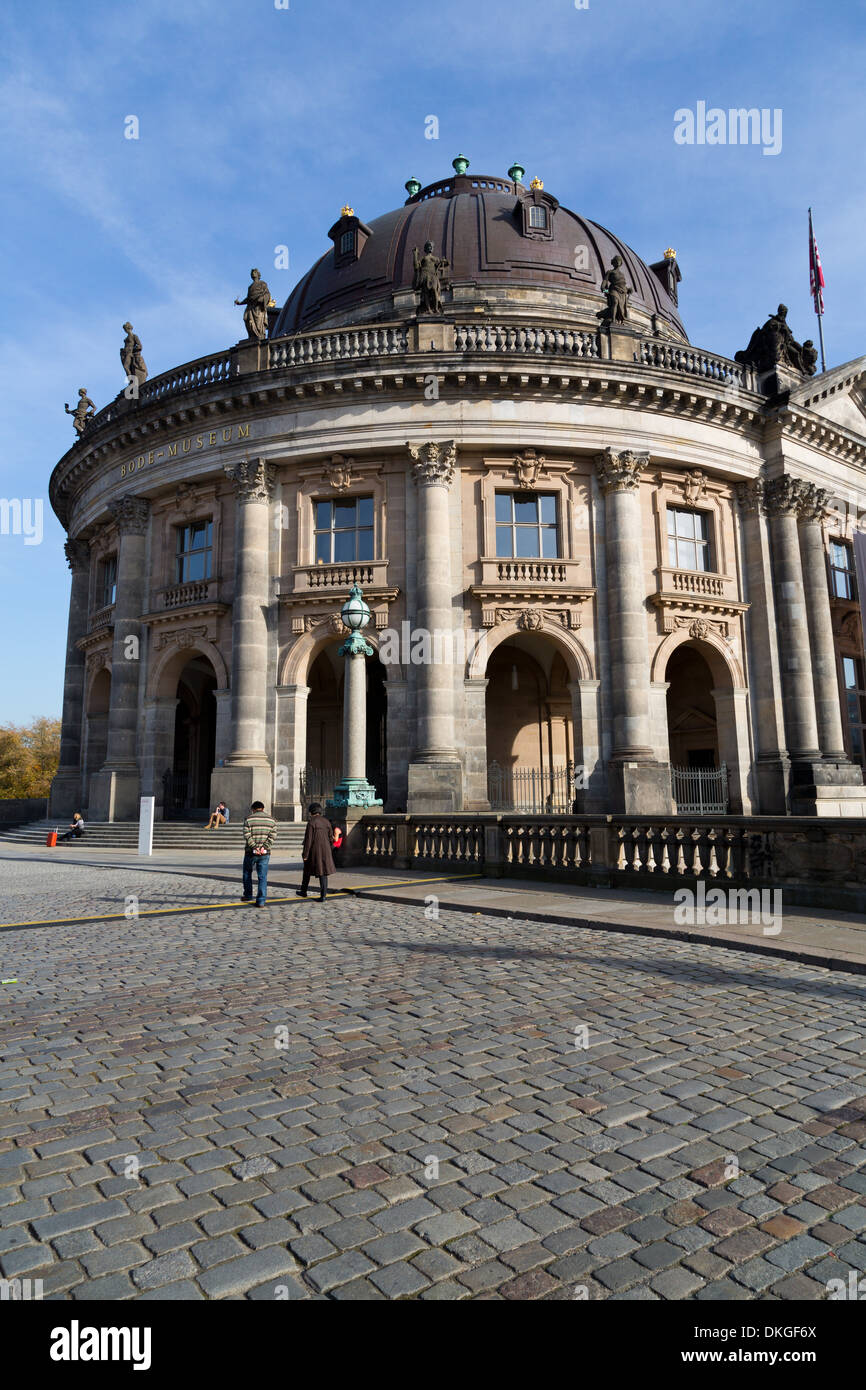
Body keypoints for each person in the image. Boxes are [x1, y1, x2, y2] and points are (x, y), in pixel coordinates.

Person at [297, 803, 336, 903]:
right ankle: (323, 896)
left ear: (311, 812)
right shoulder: (326, 821)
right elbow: (331, 838)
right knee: (323, 873)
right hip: (326, 850)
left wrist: (305, 854)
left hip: (314, 851)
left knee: (306, 871)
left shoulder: (311, 823)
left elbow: (308, 840)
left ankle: (303, 890)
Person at [242, 800, 276, 907]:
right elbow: (273, 836)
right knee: (262, 877)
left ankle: (248, 895)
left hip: (250, 852)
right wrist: (263, 847)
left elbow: (247, 835)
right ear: (263, 808)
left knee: (247, 873)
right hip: (265, 853)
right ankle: (261, 900)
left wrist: (255, 847)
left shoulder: (248, 819)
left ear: (253, 809)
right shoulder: (271, 820)